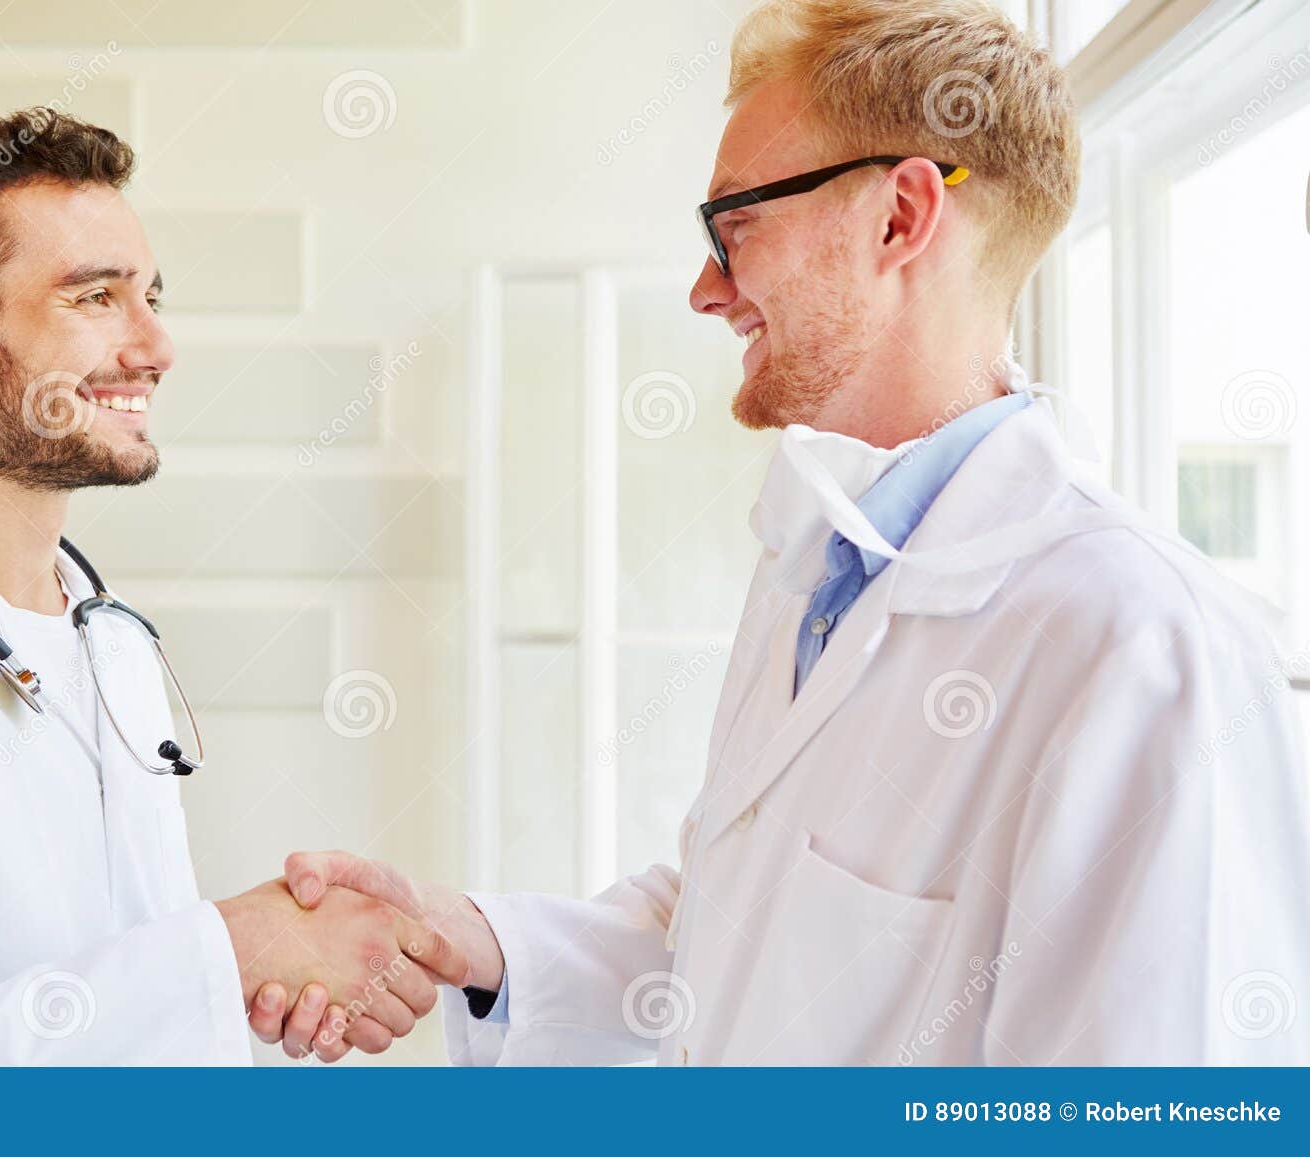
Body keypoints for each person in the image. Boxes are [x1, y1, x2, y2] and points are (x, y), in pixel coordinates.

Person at [256, 0, 1310, 1065]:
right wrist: (465, 939)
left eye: (734, 227)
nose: (705, 289)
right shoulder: (819, 567)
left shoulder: (1145, 645)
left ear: (899, 217)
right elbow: (732, 942)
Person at [0, 110, 465, 1065]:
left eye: (151, 295)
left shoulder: (107, 635)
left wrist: (255, 975)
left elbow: (109, 987)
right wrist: (226, 953)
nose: (156, 346)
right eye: (96, 297)